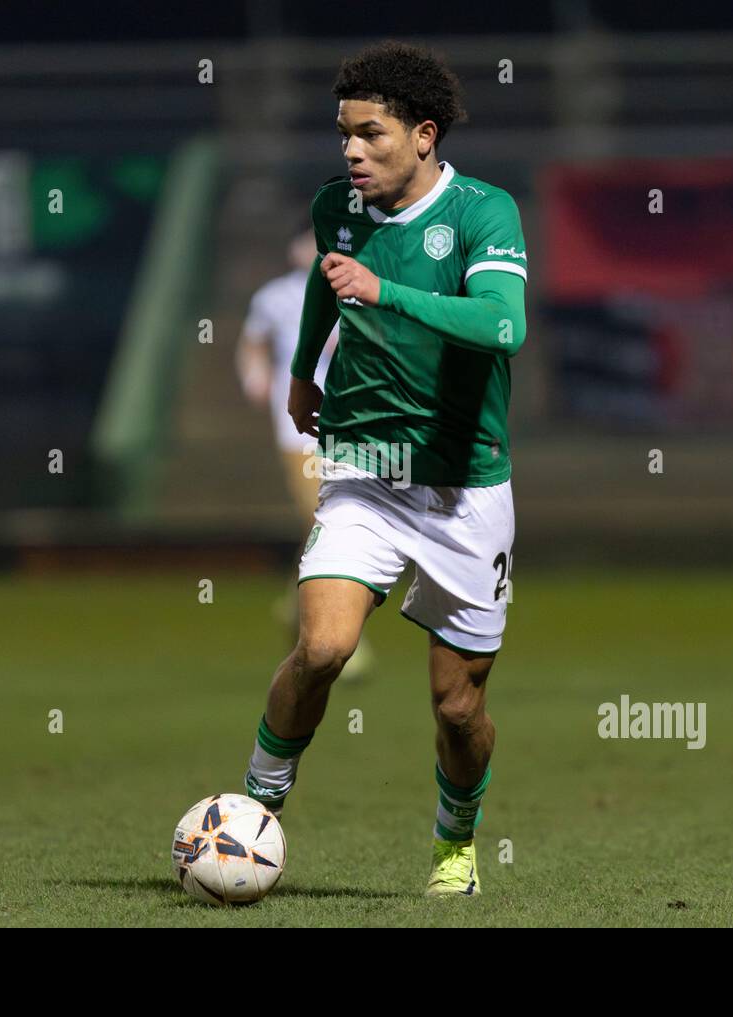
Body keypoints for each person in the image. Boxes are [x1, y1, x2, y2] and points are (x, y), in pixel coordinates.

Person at [241, 40, 528, 896]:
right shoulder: (337, 206)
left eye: (370, 135)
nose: (352, 152)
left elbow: (504, 326)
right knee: (324, 645)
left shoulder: (483, 213)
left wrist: (386, 291)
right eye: (343, 136)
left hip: (465, 485)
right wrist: (301, 374)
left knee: (457, 708)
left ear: (424, 134)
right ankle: (257, 804)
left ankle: (455, 839)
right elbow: (327, 287)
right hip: (365, 466)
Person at [236, 221, 374, 681]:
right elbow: (253, 343)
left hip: (354, 424)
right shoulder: (275, 296)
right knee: (324, 519)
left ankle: (302, 613)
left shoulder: (356, 284)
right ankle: (336, 632)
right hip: (299, 428)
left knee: (342, 522)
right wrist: (255, 377)